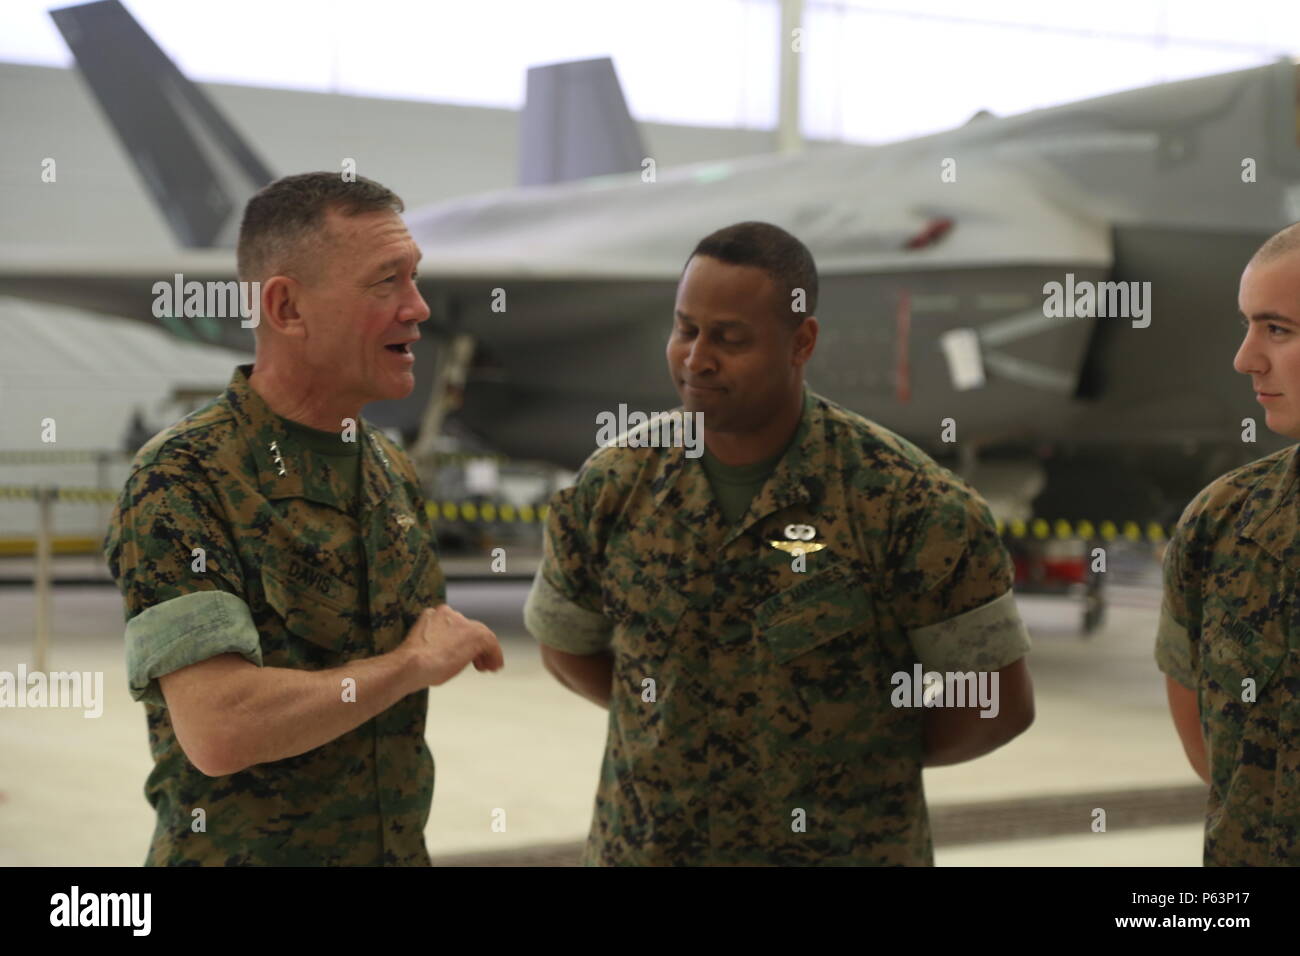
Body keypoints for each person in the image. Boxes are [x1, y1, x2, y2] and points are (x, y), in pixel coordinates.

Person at [524, 221, 1035, 865]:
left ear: (801, 341)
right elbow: (566, 645)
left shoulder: (908, 502)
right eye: (686, 329)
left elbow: (994, 702)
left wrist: (854, 765)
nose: (696, 358)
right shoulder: (615, 484)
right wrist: (677, 724)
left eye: (730, 338)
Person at [103, 172, 503, 866]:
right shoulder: (185, 476)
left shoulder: (389, 471)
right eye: (387, 282)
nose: (418, 309)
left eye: (415, 279)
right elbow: (221, 726)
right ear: (286, 308)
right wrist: (411, 664)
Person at [1158, 221, 1300, 866]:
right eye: (1248, 326)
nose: (1246, 359)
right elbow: (1210, 750)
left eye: (1278, 329)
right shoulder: (1224, 521)